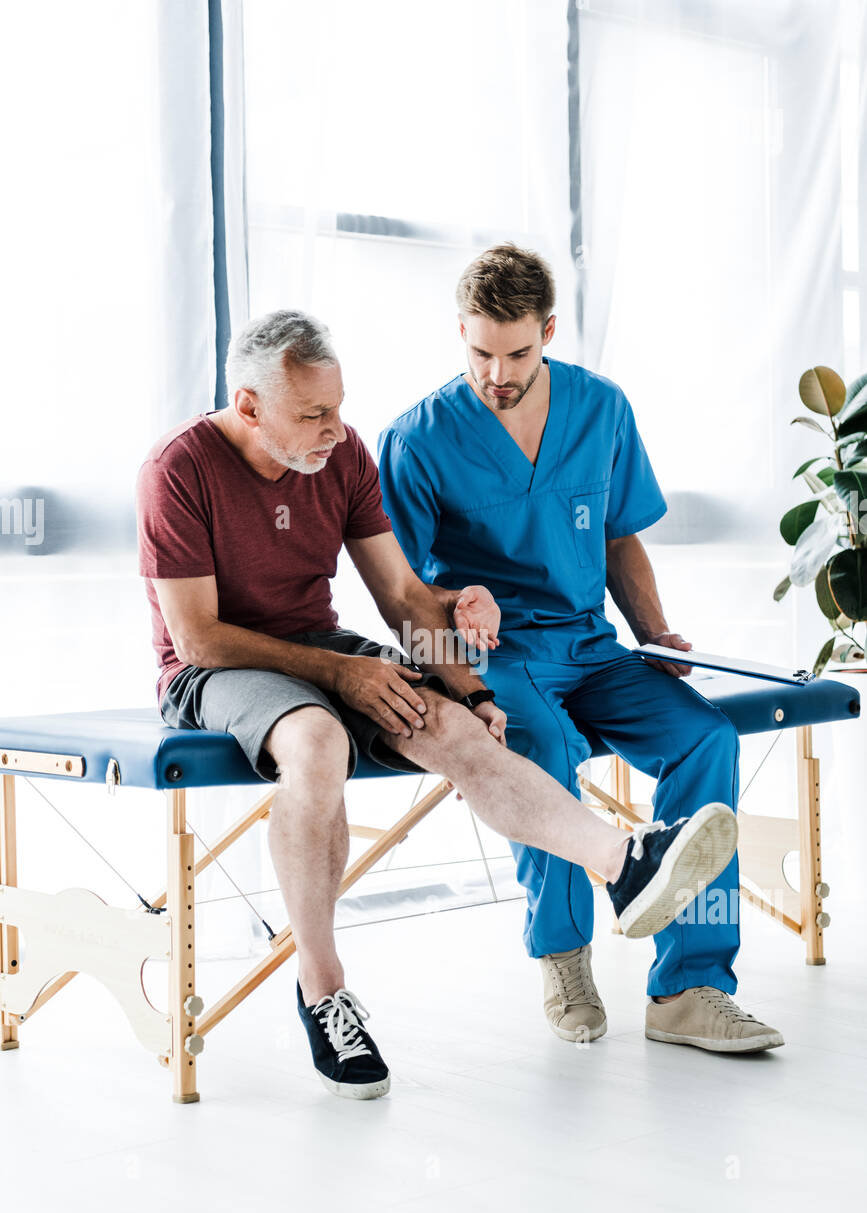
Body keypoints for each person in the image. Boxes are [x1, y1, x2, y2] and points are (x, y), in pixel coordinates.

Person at [136, 309, 739, 1102]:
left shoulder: (343, 454)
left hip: (318, 643)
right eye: (312, 414)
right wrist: (344, 678)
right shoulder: (179, 467)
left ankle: (625, 866)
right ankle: (323, 992)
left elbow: (403, 598)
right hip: (218, 669)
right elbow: (201, 637)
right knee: (316, 743)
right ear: (249, 407)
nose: (333, 428)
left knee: (460, 732)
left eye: (338, 406)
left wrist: (470, 689)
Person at [378, 245, 783, 1055]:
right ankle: (564, 958)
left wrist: (655, 635)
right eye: (480, 352)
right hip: (495, 657)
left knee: (705, 737)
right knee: (547, 747)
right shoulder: (414, 439)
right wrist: (455, 680)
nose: (497, 371)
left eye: (517, 352)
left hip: (592, 644)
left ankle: (689, 986)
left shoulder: (601, 409)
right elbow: (398, 595)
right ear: (459, 333)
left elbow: (618, 536)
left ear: (549, 333)